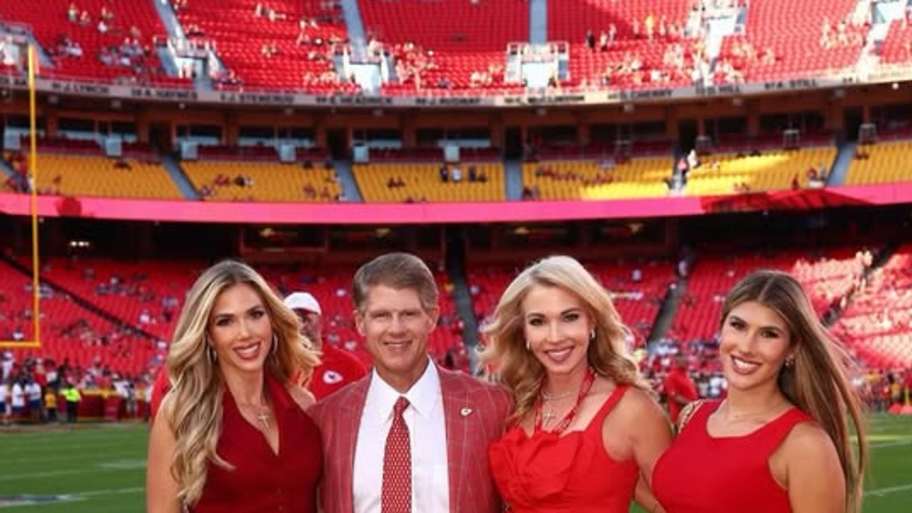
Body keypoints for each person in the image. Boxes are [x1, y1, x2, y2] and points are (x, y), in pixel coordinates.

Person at [309, 252, 511, 513]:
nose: (396, 329)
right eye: (381, 315)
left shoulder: (492, 407)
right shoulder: (325, 419)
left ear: (432, 317)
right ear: (360, 323)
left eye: (409, 314)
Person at [652, 270, 868, 513]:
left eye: (769, 334)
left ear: (792, 349)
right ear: (721, 328)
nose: (746, 346)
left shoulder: (806, 445)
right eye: (738, 326)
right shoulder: (691, 416)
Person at [482, 255, 671, 513]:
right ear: (523, 332)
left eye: (569, 317)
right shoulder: (512, 403)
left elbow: (672, 504)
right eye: (538, 321)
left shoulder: (632, 410)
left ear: (592, 321)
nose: (555, 336)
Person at [146, 260, 322, 513]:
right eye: (225, 321)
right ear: (207, 335)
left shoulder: (305, 406)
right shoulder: (180, 414)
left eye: (255, 314)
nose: (245, 333)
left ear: (272, 320)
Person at [284, 292, 368, 400]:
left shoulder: (349, 366)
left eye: (306, 319)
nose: (301, 326)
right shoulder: (274, 370)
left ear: (320, 321)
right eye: (293, 321)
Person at [663, 355, 698, 424]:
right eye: (684, 361)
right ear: (677, 362)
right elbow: (674, 396)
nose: (687, 362)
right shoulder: (671, 376)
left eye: (687, 361)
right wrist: (692, 404)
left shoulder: (686, 375)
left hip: (689, 413)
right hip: (679, 415)